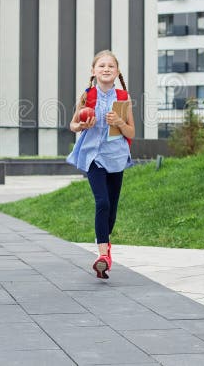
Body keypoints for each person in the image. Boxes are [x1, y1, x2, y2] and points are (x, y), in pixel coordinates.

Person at [67, 50, 135, 279]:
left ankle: (106, 247)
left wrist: (119, 122)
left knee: (112, 211)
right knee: (102, 202)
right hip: (93, 157)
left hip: (116, 157)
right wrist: (82, 126)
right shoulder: (87, 95)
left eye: (111, 66)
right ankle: (103, 256)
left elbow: (131, 132)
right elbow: (73, 125)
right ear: (93, 71)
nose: (106, 69)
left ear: (117, 72)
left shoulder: (123, 98)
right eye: (101, 66)